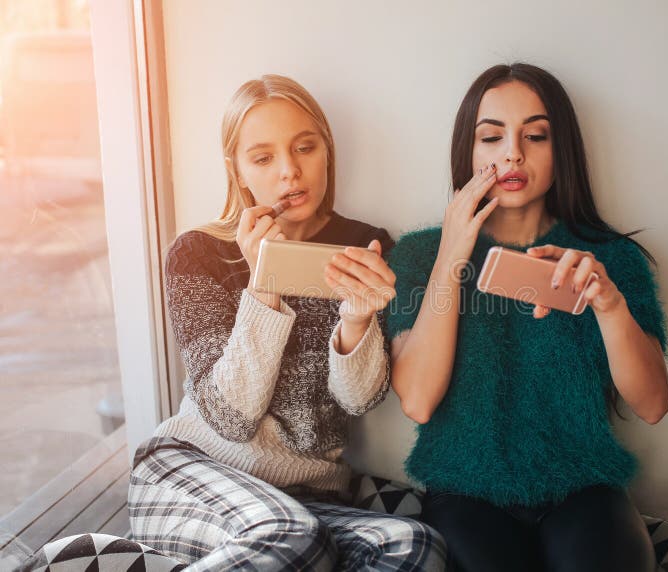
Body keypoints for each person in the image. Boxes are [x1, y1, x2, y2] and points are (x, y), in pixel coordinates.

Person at [128, 74, 445, 571]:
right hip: (193, 470)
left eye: (305, 148)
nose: (290, 172)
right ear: (237, 171)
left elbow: (359, 399)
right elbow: (232, 418)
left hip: (307, 499)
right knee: (290, 538)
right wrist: (264, 283)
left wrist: (358, 317)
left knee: (414, 546)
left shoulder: (364, 244)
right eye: (263, 158)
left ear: (327, 152)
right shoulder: (197, 254)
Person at [387, 63, 668, 571]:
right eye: (492, 137)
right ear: (467, 152)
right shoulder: (417, 253)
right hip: (464, 494)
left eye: (535, 135)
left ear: (561, 149)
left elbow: (653, 405)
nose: (513, 153)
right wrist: (453, 254)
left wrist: (608, 304)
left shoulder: (612, 259)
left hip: (585, 491)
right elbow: (419, 400)